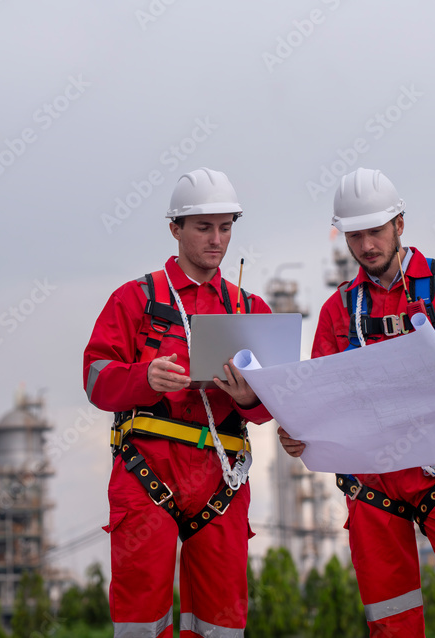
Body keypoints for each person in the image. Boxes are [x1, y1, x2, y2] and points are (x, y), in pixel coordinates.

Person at [278, 167, 435, 637]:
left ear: (399, 225)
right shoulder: (338, 310)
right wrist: (298, 431)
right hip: (371, 483)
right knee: (391, 619)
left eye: (376, 231)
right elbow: (321, 390)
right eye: (355, 235)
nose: (366, 245)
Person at [83, 167, 272, 638]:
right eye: (204, 227)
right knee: (140, 620)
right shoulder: (135, 301)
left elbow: (272, 407)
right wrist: (144, 378)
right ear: (175, 229)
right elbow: (95, 378)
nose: (217, 239)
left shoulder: (251, 311)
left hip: (223, 479)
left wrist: (250, 397)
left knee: (222, 623)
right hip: (147, 472)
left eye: (226, 227)